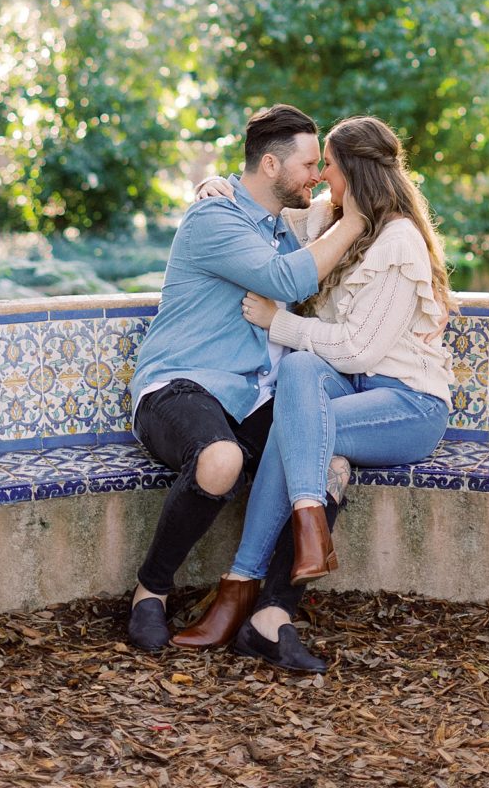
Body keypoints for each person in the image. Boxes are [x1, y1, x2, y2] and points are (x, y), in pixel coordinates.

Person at [192, 115, 455, 674]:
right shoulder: (327, 218)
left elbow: (360, 351)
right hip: (348, 390)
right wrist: (212, 189)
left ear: (353, 170)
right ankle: (287, 567)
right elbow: (260, 205)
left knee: (296, 428)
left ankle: (238, 586)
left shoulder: (399, 240)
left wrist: (276, 323)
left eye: (326, 166)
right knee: (302, 378)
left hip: (407, 405)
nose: (317, 178)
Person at [126, 103, 365, 655]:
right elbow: (286, 277)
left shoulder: (279, 227)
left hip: (251, 397)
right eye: (310, 164)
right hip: (179, 387)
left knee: (327, 461)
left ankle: (271, 614)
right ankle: (150, 592)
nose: (319, 176)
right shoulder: (215, 220)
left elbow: (325, 218)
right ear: (273, 167)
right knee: (221, 459)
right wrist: (354, 221)